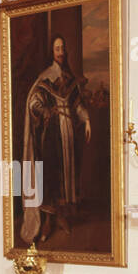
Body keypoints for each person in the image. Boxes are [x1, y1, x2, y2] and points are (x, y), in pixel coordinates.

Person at [21, 34, 91, 245]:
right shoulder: (44, 79)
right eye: (57, 49)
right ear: (51, 53)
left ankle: (63, 216)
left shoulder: (70, 80)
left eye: (63, 49)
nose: (61, 53)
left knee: (68, 177)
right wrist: (44, 112)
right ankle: (48, 221)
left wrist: (86, 119)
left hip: (70, 137)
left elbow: (77, 105)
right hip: (50, 137)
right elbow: (34, 102)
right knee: (51, 177)